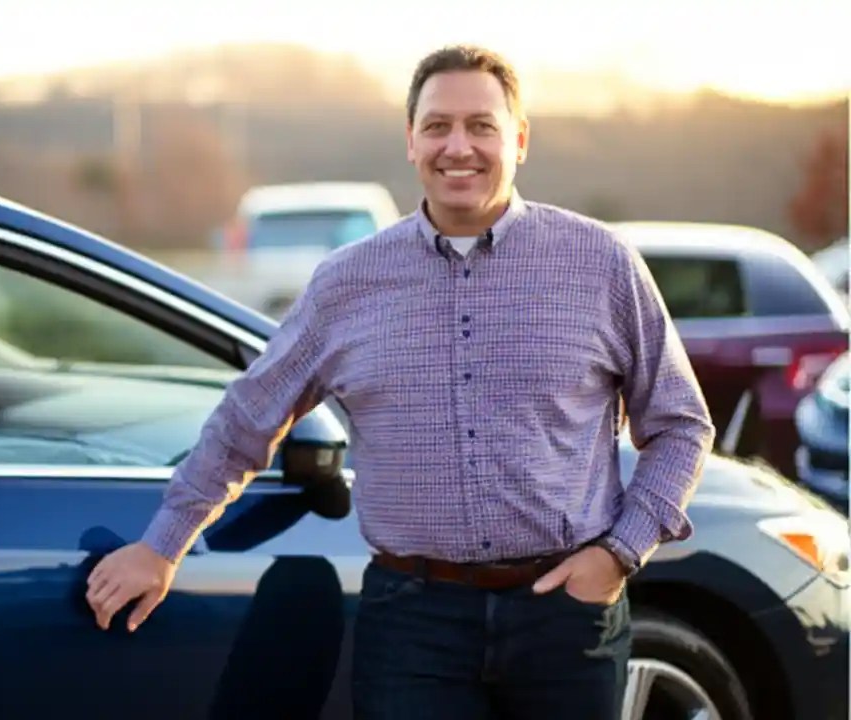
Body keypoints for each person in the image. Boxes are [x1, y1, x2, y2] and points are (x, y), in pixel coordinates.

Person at [85, 44, 714, 719]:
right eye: (438, 126)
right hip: (413, 624)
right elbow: (246, 420)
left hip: (564, 619)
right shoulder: (347, 284)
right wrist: (162, 546)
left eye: (482, 126)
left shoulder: (600, 265)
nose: (458, 147)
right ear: (411, 141)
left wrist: (618, 555)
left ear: (520, 140)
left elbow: (681, 425)